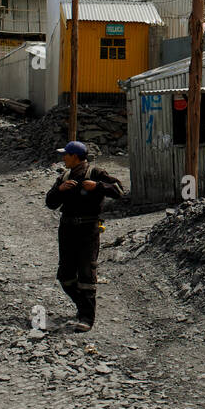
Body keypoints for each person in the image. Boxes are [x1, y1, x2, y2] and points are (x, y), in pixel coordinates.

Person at [45, 141, 123, 332]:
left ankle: (87, 317)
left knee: (87, 273)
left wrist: (98, 186)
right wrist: (59, 190)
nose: (63, 158)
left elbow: (120, 191)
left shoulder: (95, 173)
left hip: (88, 229)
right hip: (67, 229)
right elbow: (50, 203)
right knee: (65, 275)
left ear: (76, 156)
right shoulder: (64, 176)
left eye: (66, 155)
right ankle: (82, 307)